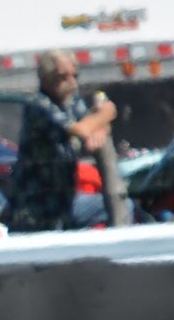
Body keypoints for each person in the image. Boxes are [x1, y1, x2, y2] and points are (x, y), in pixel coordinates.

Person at [6, 49, 116, 232]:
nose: (71, 82)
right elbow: (79, 129)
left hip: (64, 201)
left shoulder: (71, 101)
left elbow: (90, 122)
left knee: (123, 205)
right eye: (63, 77)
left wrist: (101, 128)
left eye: (74, 75)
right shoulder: (38, 105)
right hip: (35, 209)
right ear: (46, 79)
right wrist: (107, 114)